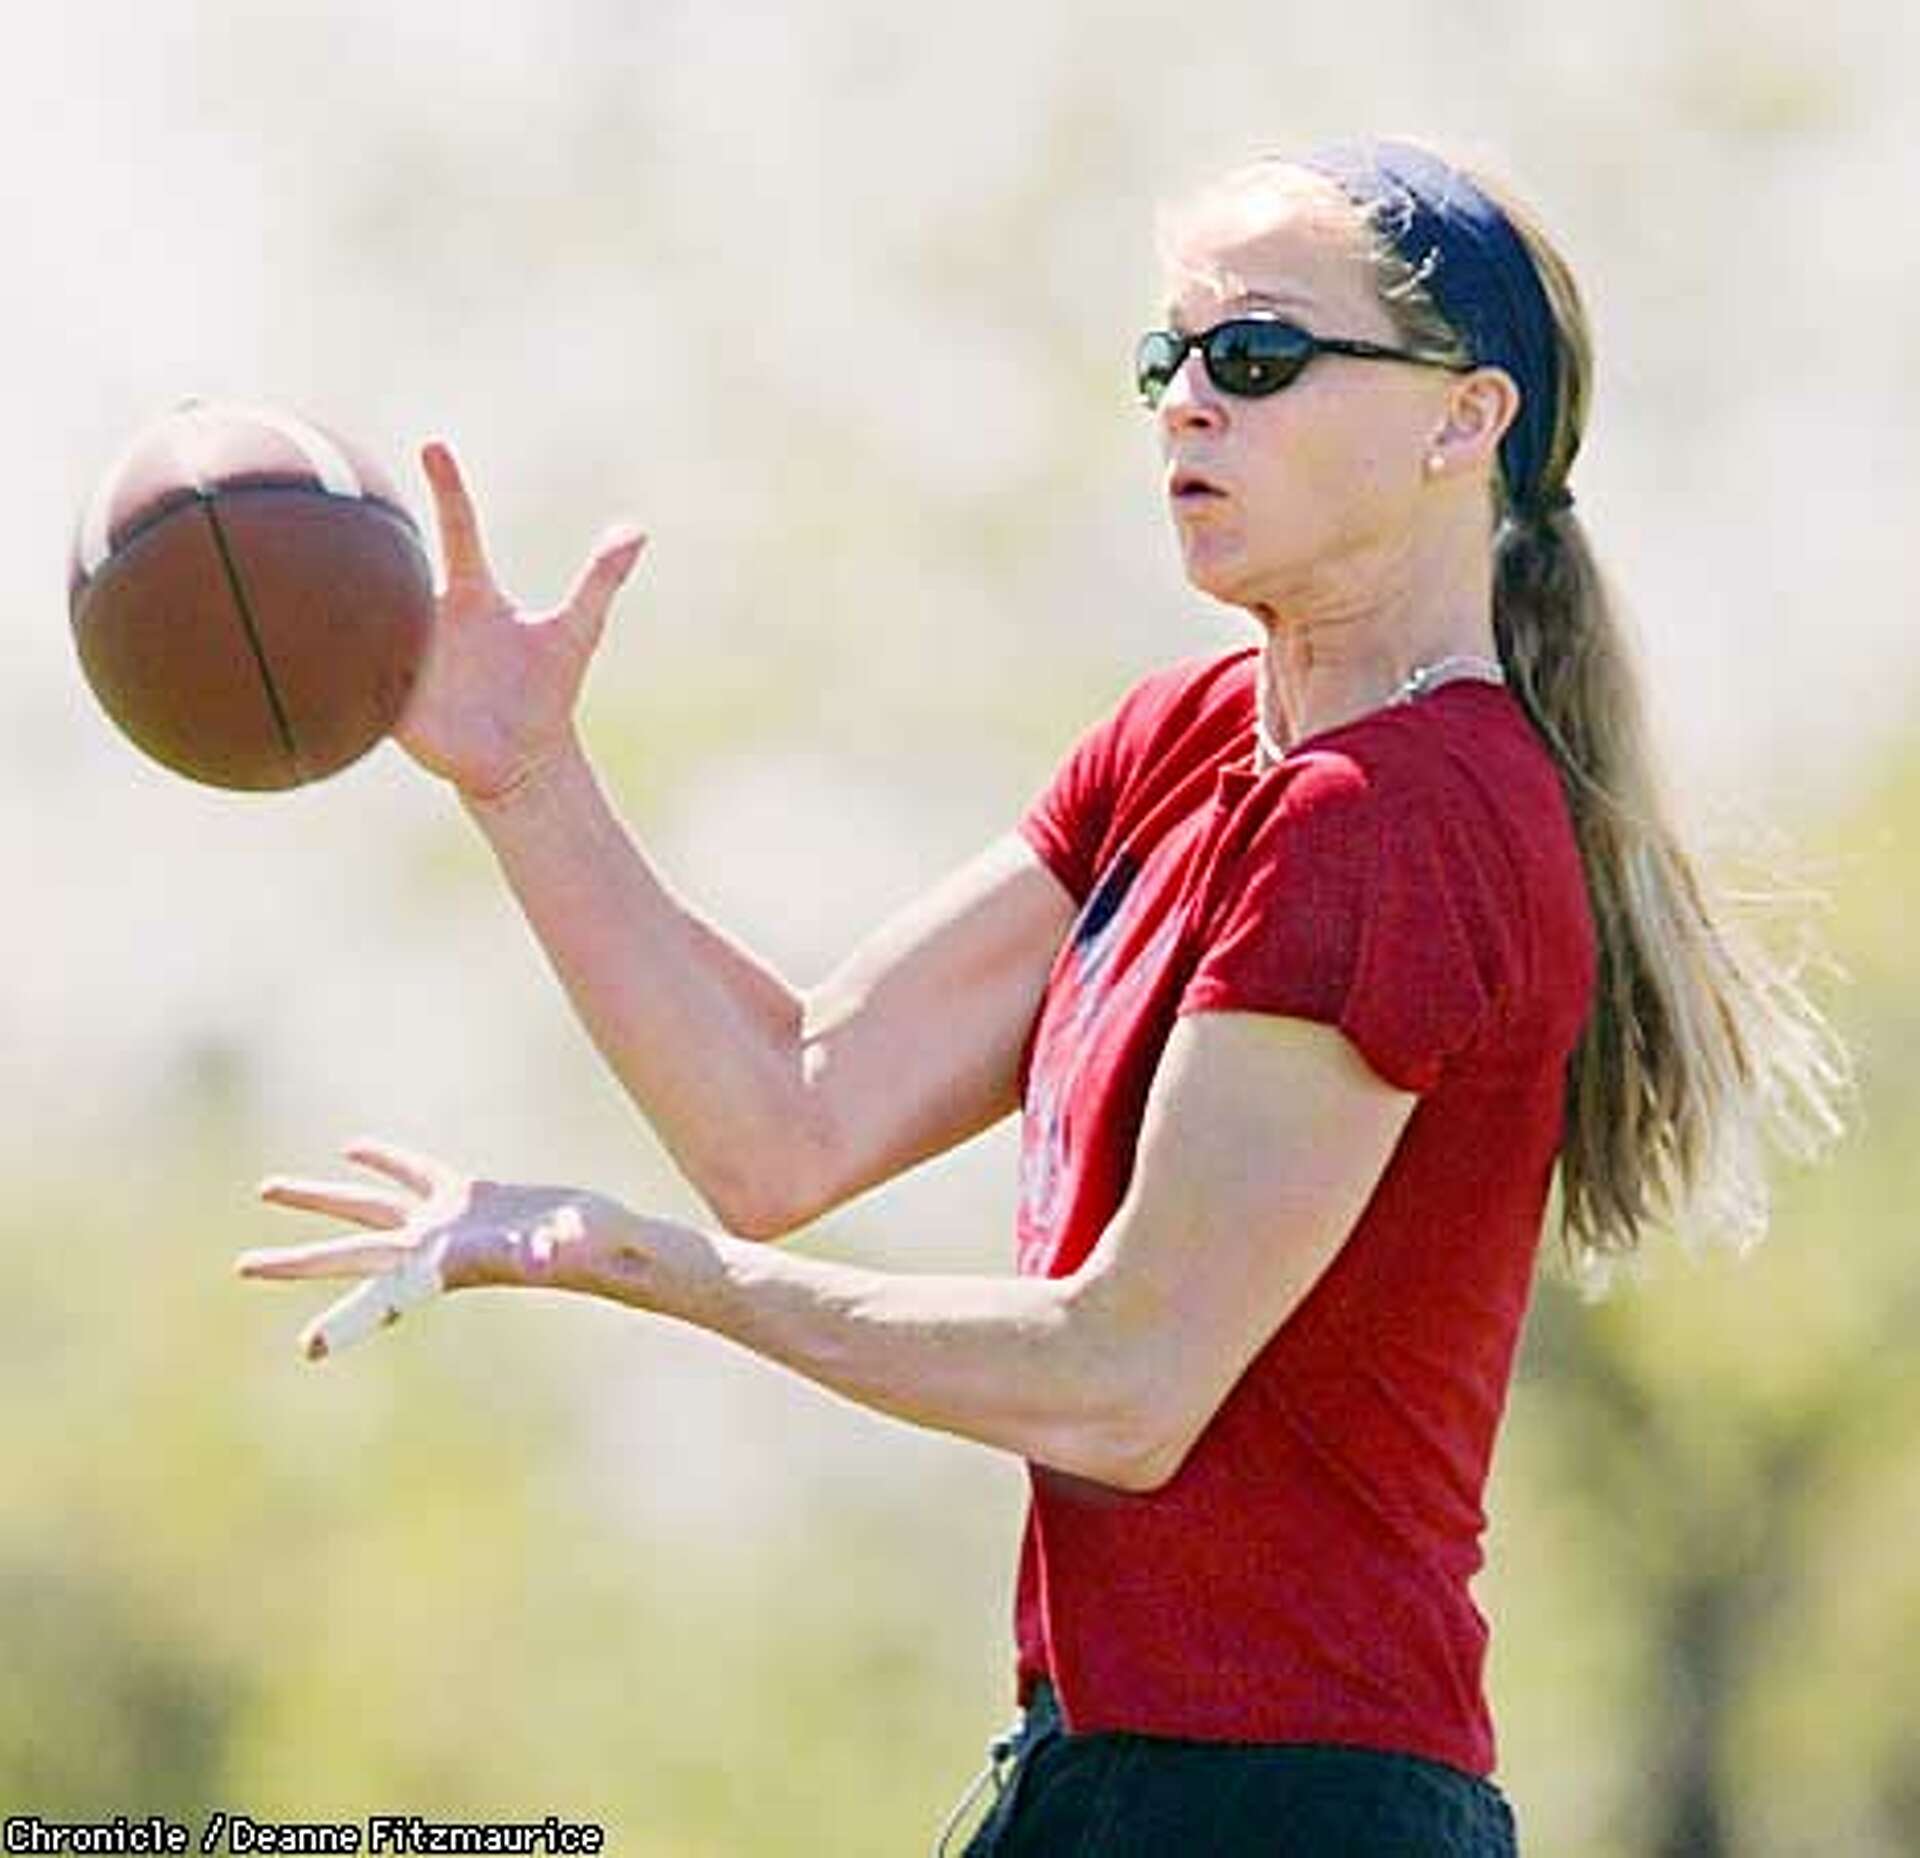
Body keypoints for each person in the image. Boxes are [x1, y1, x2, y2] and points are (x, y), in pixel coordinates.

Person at [236, 137, 1845, 1855]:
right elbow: (784, 1112)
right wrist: (526, 780)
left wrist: (655, 1271)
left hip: (1289, 1807)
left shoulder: (1404, 816)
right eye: (1170, 362)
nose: (1186, 409)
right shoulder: (1184, 743)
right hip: (1102, 1777)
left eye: (1257, 358)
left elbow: (1125, 1381)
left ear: (1467, 422)